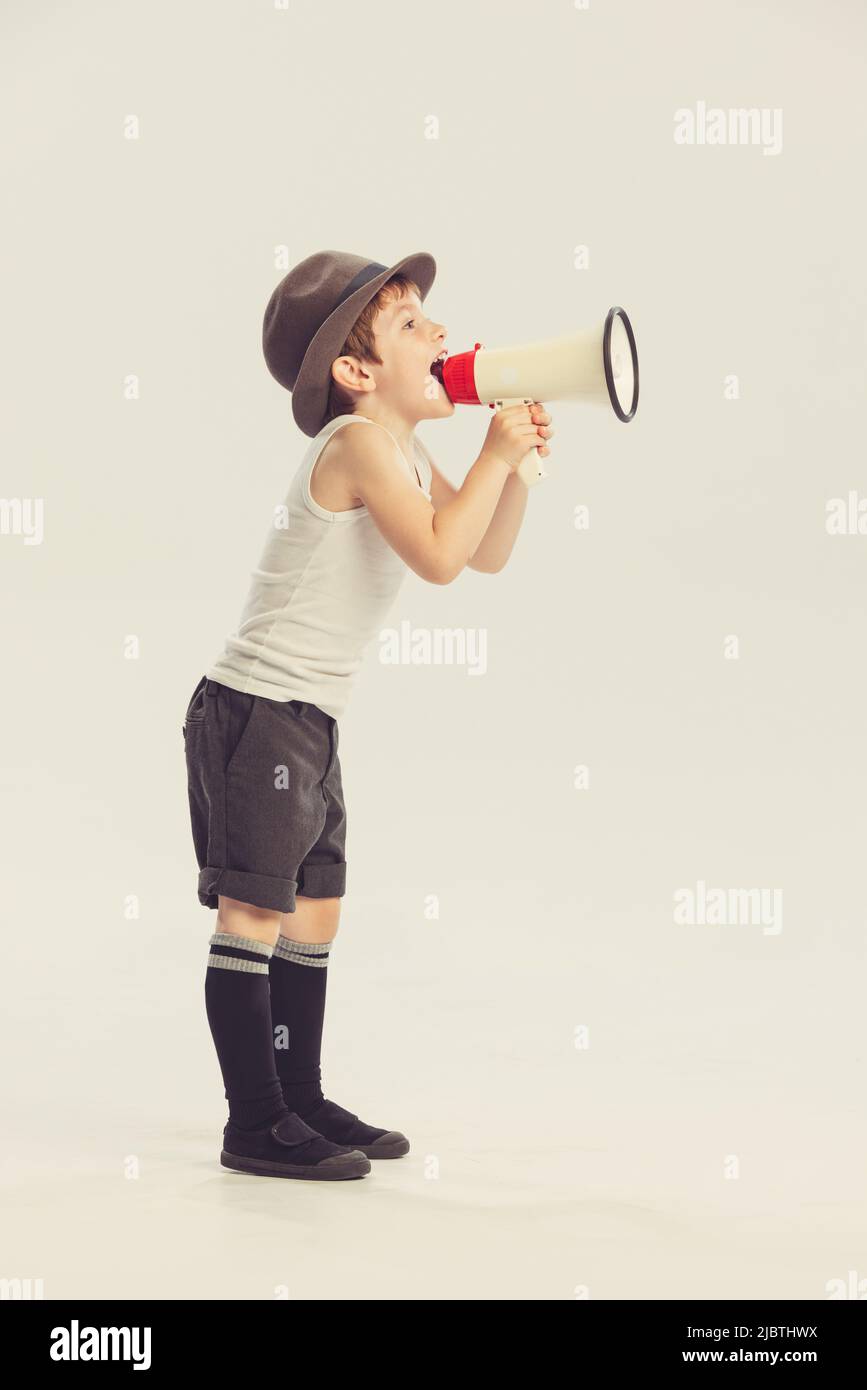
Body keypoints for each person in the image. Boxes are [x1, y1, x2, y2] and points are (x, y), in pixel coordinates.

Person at [182, 249, 554, 1181]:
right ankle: (253, 1123)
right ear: (355, 373)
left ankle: (297, 1096)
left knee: (315, 913)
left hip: (308, 718)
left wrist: (506, 471)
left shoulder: (405, 450)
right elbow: (436, 555)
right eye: (410, 325)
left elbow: (481, 555)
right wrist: (495, 456)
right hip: (257, 709)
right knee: (254, 914)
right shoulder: (354, 447)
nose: (439, 334)